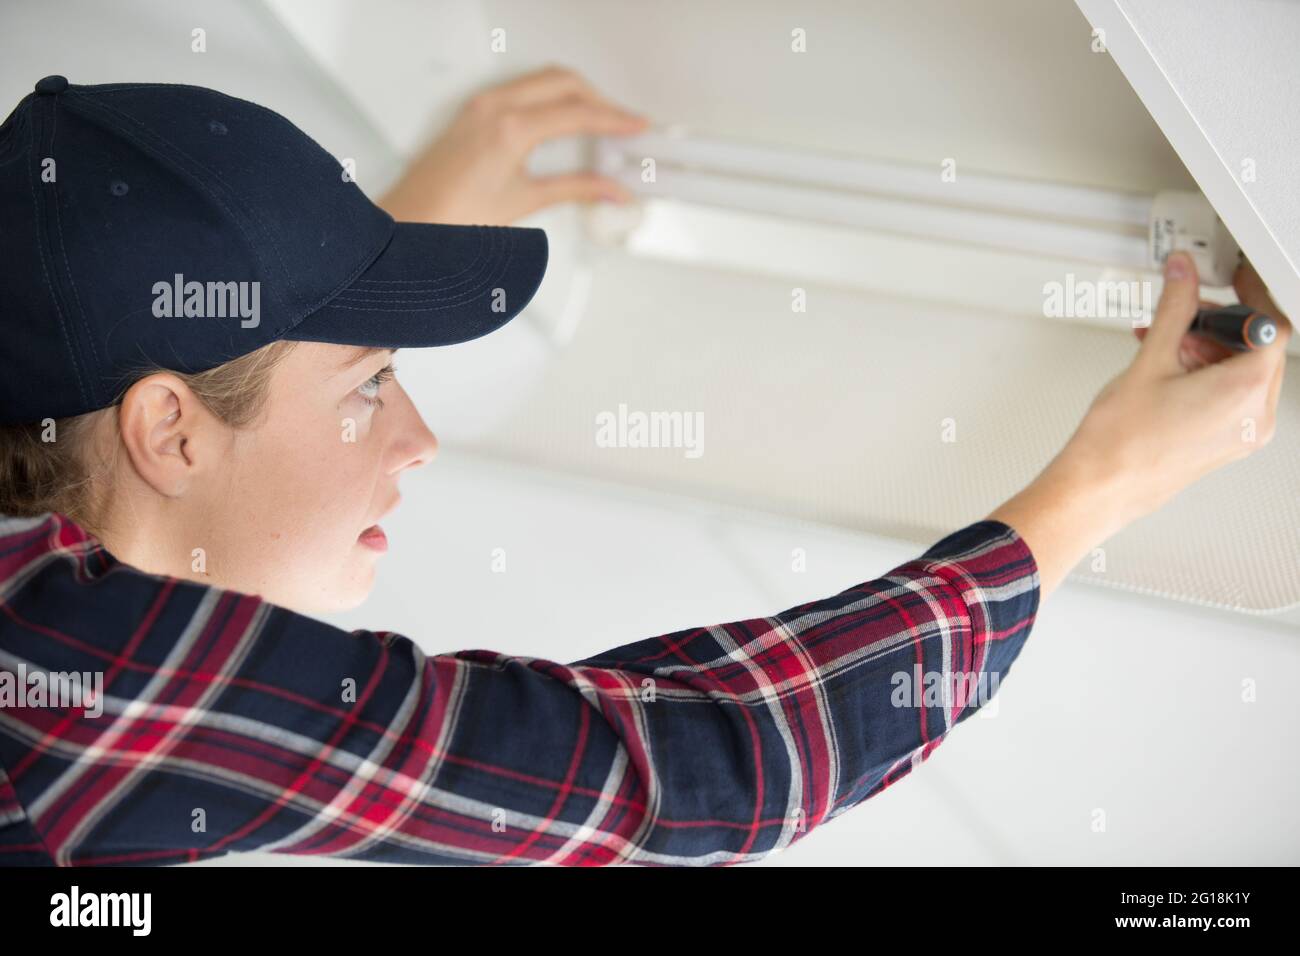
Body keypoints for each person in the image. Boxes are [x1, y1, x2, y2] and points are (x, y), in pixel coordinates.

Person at [0, 66, 1290, 866]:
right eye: (371, 386)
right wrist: (1097, 493)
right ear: (168, 431)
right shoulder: (85, 688)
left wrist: (351, 268)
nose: (417, 440)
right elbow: (688, 766)